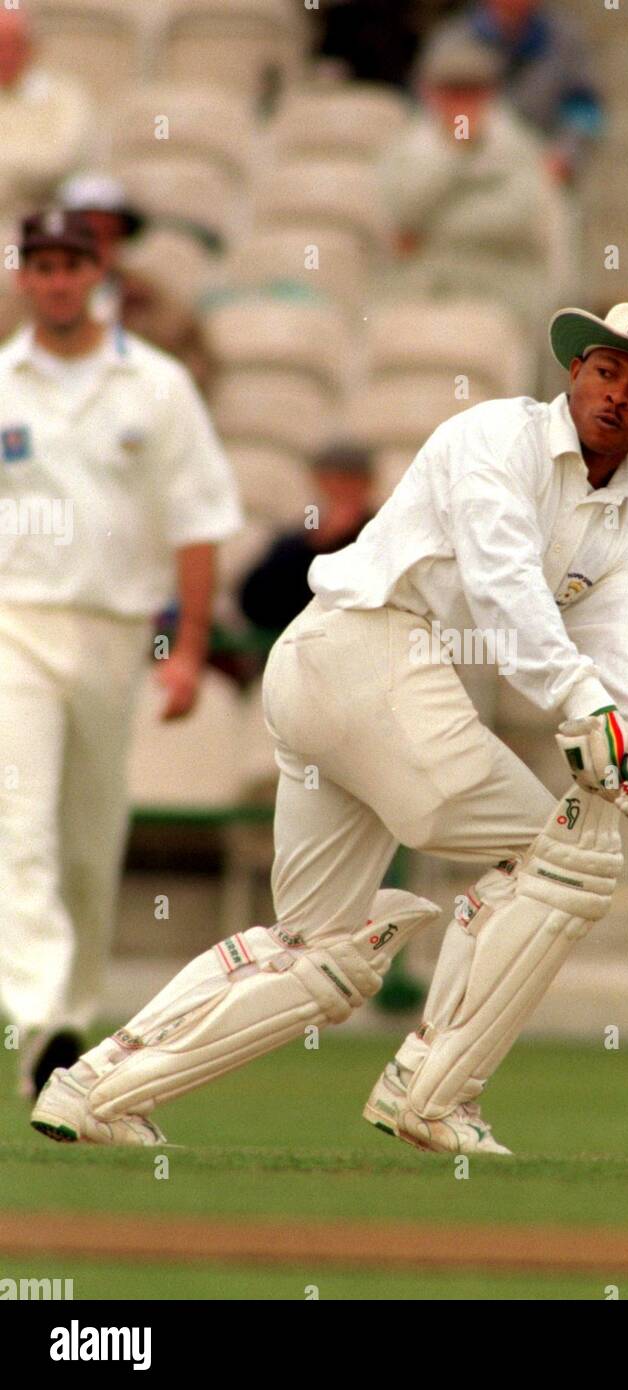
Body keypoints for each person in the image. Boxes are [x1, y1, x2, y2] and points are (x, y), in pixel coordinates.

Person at [29, 300, 628, 1154]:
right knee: (571, 855)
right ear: (574, 370)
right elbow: (503, 582)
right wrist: (586, 708)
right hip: (361, 652)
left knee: (321, 948)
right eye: (606, 370)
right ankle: (431, 1095)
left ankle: (96, 1089)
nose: (616, 395)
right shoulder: (493, 437)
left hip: (352, 683)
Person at [0, 210, 242, 1100]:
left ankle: (72, 1015)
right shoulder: (2, 383)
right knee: (15, 830)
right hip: (13, 626)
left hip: (113, 634)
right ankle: (41, 1023)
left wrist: (187, 654)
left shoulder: (159, 386)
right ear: (25, 277)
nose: (58, 281)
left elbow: (200, 522)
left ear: (98, 272)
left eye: (73, 265)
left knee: (88, 849)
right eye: (43, 266)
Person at [378, 32, 571, 337]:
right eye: (452, 93)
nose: (461, 105)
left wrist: (428, 234)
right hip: (424, 290)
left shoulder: (520, 147)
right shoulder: (406, 148)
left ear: (490, 95)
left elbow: (516, 220)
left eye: (471, 93)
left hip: (501, 291)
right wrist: (454, 158)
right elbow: (399, 215)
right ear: (430, 94)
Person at [0, 174, 217, 398]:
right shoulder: (13, 310)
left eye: (108, 234)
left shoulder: (154, 305)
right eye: (86, 232)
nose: (97, 244)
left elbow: (192, 373)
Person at [421, 0, 604, 184]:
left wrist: (565, 156)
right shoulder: (451, 40)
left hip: (541, 173)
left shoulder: (565, 41)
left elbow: (586, 108)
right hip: (463, 174)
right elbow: (423, 110)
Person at [239, 442, 377, 635]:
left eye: (348, 481)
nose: (339, 490)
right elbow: (255, 602)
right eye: (331, 481)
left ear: (366, 484)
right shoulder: (307, 530)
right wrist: (320, 542)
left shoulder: (379, 532)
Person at [0, 10, 96, 210]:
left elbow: (58, 160)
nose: (5, 55)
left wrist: (6, 166)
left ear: (31, 48)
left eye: (13, 45)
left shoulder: (64, 96)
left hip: (45, 213)